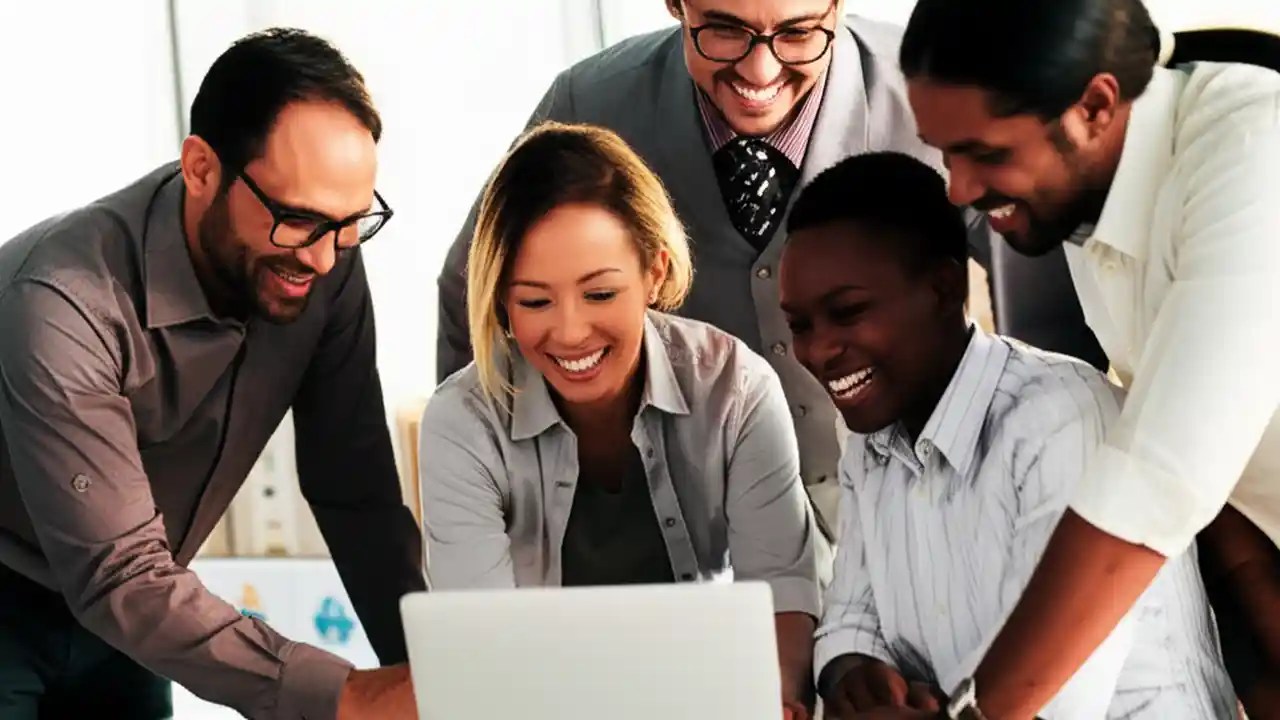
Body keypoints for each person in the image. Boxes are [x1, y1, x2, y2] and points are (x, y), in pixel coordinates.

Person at [435, 0, 1106, 543]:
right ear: (676, 5)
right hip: (701, 545)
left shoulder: (934, 95)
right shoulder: (591, 100)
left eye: (798, 33)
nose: (759, 70)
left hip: (917, 519)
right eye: (723, 30)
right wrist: (519, 488)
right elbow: (477, 287)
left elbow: (1047, 316)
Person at [0, 29, 421, 720]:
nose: (322, 260)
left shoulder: (326, 260)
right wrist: (343, 699)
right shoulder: (63, 303)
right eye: (297, 219)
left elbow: (355, 490)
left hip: (136, 607)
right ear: (200, 168)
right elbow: (121, 575)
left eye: (350, 226)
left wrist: (429, 674)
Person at [896, 0, 1280, 716]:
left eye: (987, 153)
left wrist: (980, 714)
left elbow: (1159, 477)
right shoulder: (1084, 189)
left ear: (1096, 105)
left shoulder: (1258, 151)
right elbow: (1191, 434)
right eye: (945, 152)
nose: (960, 190)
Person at [780, 152, 1235, 719]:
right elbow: (850, 620)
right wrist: (859, 679)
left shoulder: (1056, 419)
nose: (818, 350)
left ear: (944, 289)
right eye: (800, 325)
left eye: (847, 312)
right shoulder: (871, 443)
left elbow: (1064, 700)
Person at [419, 121, 821, 717]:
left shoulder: (737, 390)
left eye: (600, 293)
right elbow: (483, 656)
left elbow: (783, 591)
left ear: (654, 271)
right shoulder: (462, 423)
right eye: (534, 301)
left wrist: (780, 699)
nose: (571, 332)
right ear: (501, 297)